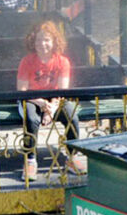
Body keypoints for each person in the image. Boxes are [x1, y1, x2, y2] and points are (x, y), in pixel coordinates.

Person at [17, 19, 84, 182]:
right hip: (31, 99)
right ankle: (30, 160)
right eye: (39, 39)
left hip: (54, 100)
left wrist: (51, 110)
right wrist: (41, 103)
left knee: (71, 114)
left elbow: (62, 90)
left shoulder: (63, 62)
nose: (42, 44)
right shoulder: (27, 61)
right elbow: (22, 90)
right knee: (32, 119)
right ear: (33, 41)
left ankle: (72, 157)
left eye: (46, 40)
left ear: (54, 41)